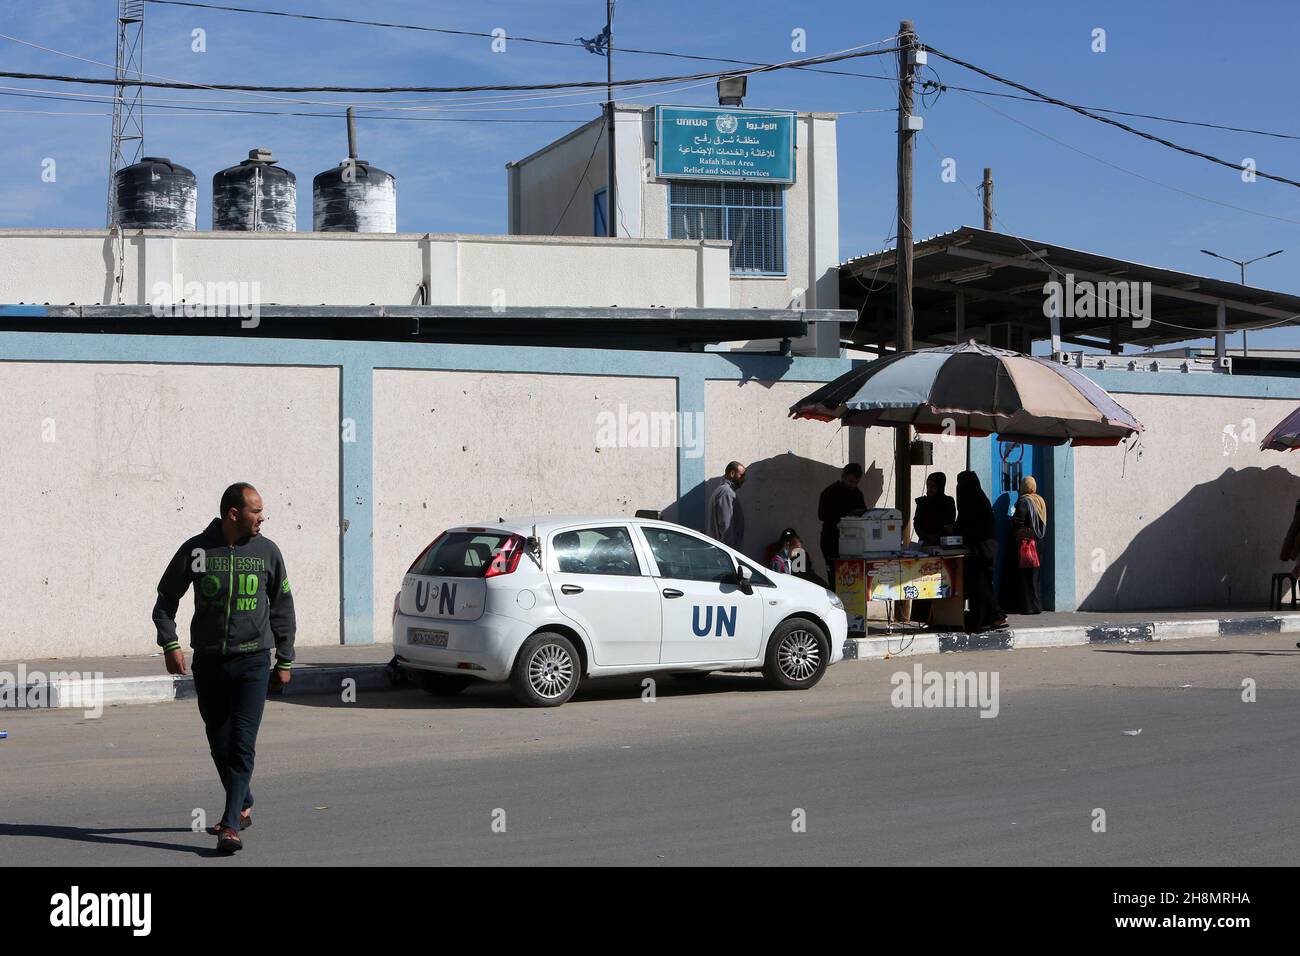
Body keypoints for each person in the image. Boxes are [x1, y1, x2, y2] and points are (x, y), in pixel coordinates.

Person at [153, 482, 296, 854]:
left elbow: (282, 604)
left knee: (242, 743)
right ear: (234, 514)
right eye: (255, 511)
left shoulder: (267, 552)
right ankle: (243, 800)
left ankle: (230, 825)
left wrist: (285, 657)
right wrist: (170, 643)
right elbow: (166, 599)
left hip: (253, 661)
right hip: (210, 662)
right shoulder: (197, 551)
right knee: (219, 743)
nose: (262, 517)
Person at [954, 471, 1007, 632]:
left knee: (980, 587)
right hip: (985, 549)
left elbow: (967, 526)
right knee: (982, 585)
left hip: (980, 551)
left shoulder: (972, 503)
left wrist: (955, 530)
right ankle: (992, 617)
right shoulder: (980, 500)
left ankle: (989, 618)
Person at [1004, 476, 1048, 614]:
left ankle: (1028, 607)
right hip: (1039, 543)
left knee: (1026, 576)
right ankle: (1037, 606)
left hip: (1027, 544)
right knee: (1035, 576)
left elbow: (1018, 522)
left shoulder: (1024, 502)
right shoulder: (1040, 501)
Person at [818, 463, 866, 572]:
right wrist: (842, 520)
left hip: (853, 542)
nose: (853, 485)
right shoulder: (829, 493)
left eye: (856, 483)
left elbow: (863, 514)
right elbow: (821, 515)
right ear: (843, 477)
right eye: (850, 481)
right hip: (832, 540)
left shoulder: (857, 494)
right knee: (835, 574)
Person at [707, 461, 746, 550]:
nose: (744, 479)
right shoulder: (726, 493)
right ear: (732, 473)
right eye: (742, 475)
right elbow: (726, 526)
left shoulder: (724, 491)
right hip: (724, 554)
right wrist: (729, 553)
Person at [913, 472, 956, 547]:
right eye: (928, 485)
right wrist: (926, 537)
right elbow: (917, 523)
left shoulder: (948, 502)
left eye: (933, 486)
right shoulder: (923, 502)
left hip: (943, 544)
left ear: (940, 487)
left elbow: (949, 523)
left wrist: (936, 537)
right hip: (925, 544)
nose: (930, 489)